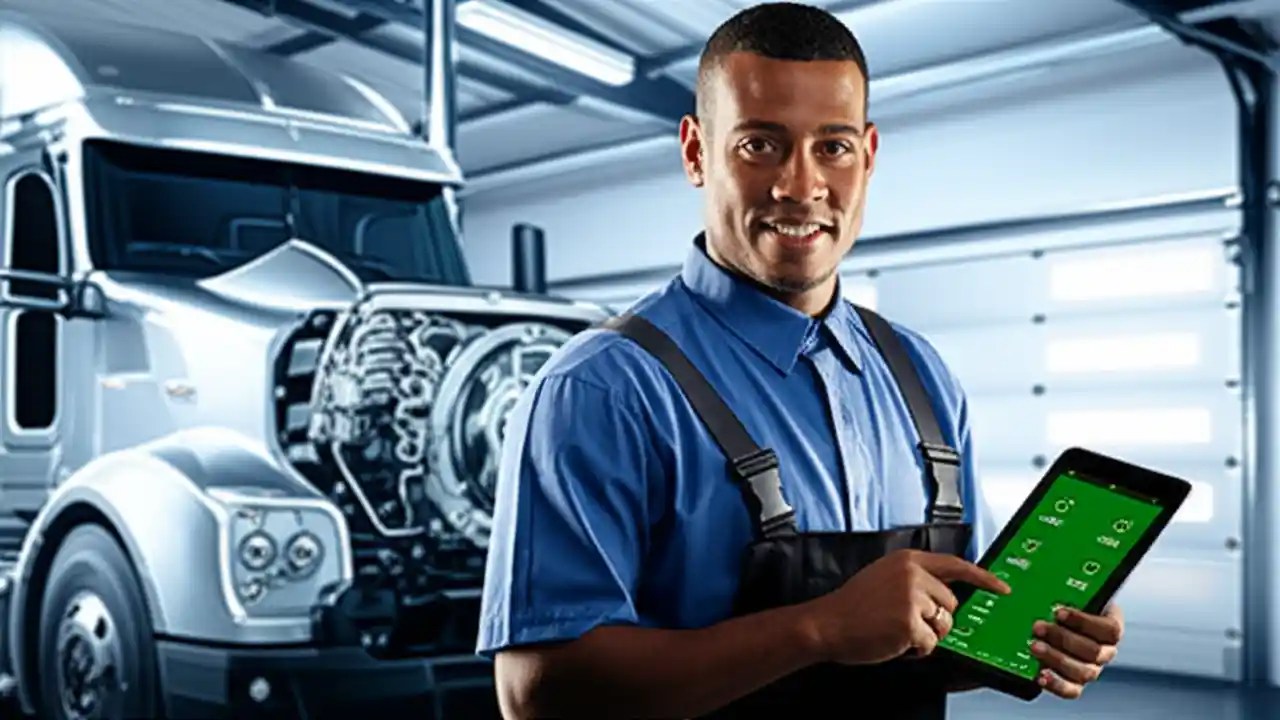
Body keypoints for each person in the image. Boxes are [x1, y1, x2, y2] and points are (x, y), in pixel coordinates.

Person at [476, 2, 1126, 717]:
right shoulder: (602, 388)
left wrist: (1035, 640)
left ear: (869, 155)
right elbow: (536, 693)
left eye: (833, 147)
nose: (800, 185)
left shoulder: (922, 376)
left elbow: (941, 644)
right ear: (696, 153)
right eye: (761, 145)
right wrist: (817, 629)